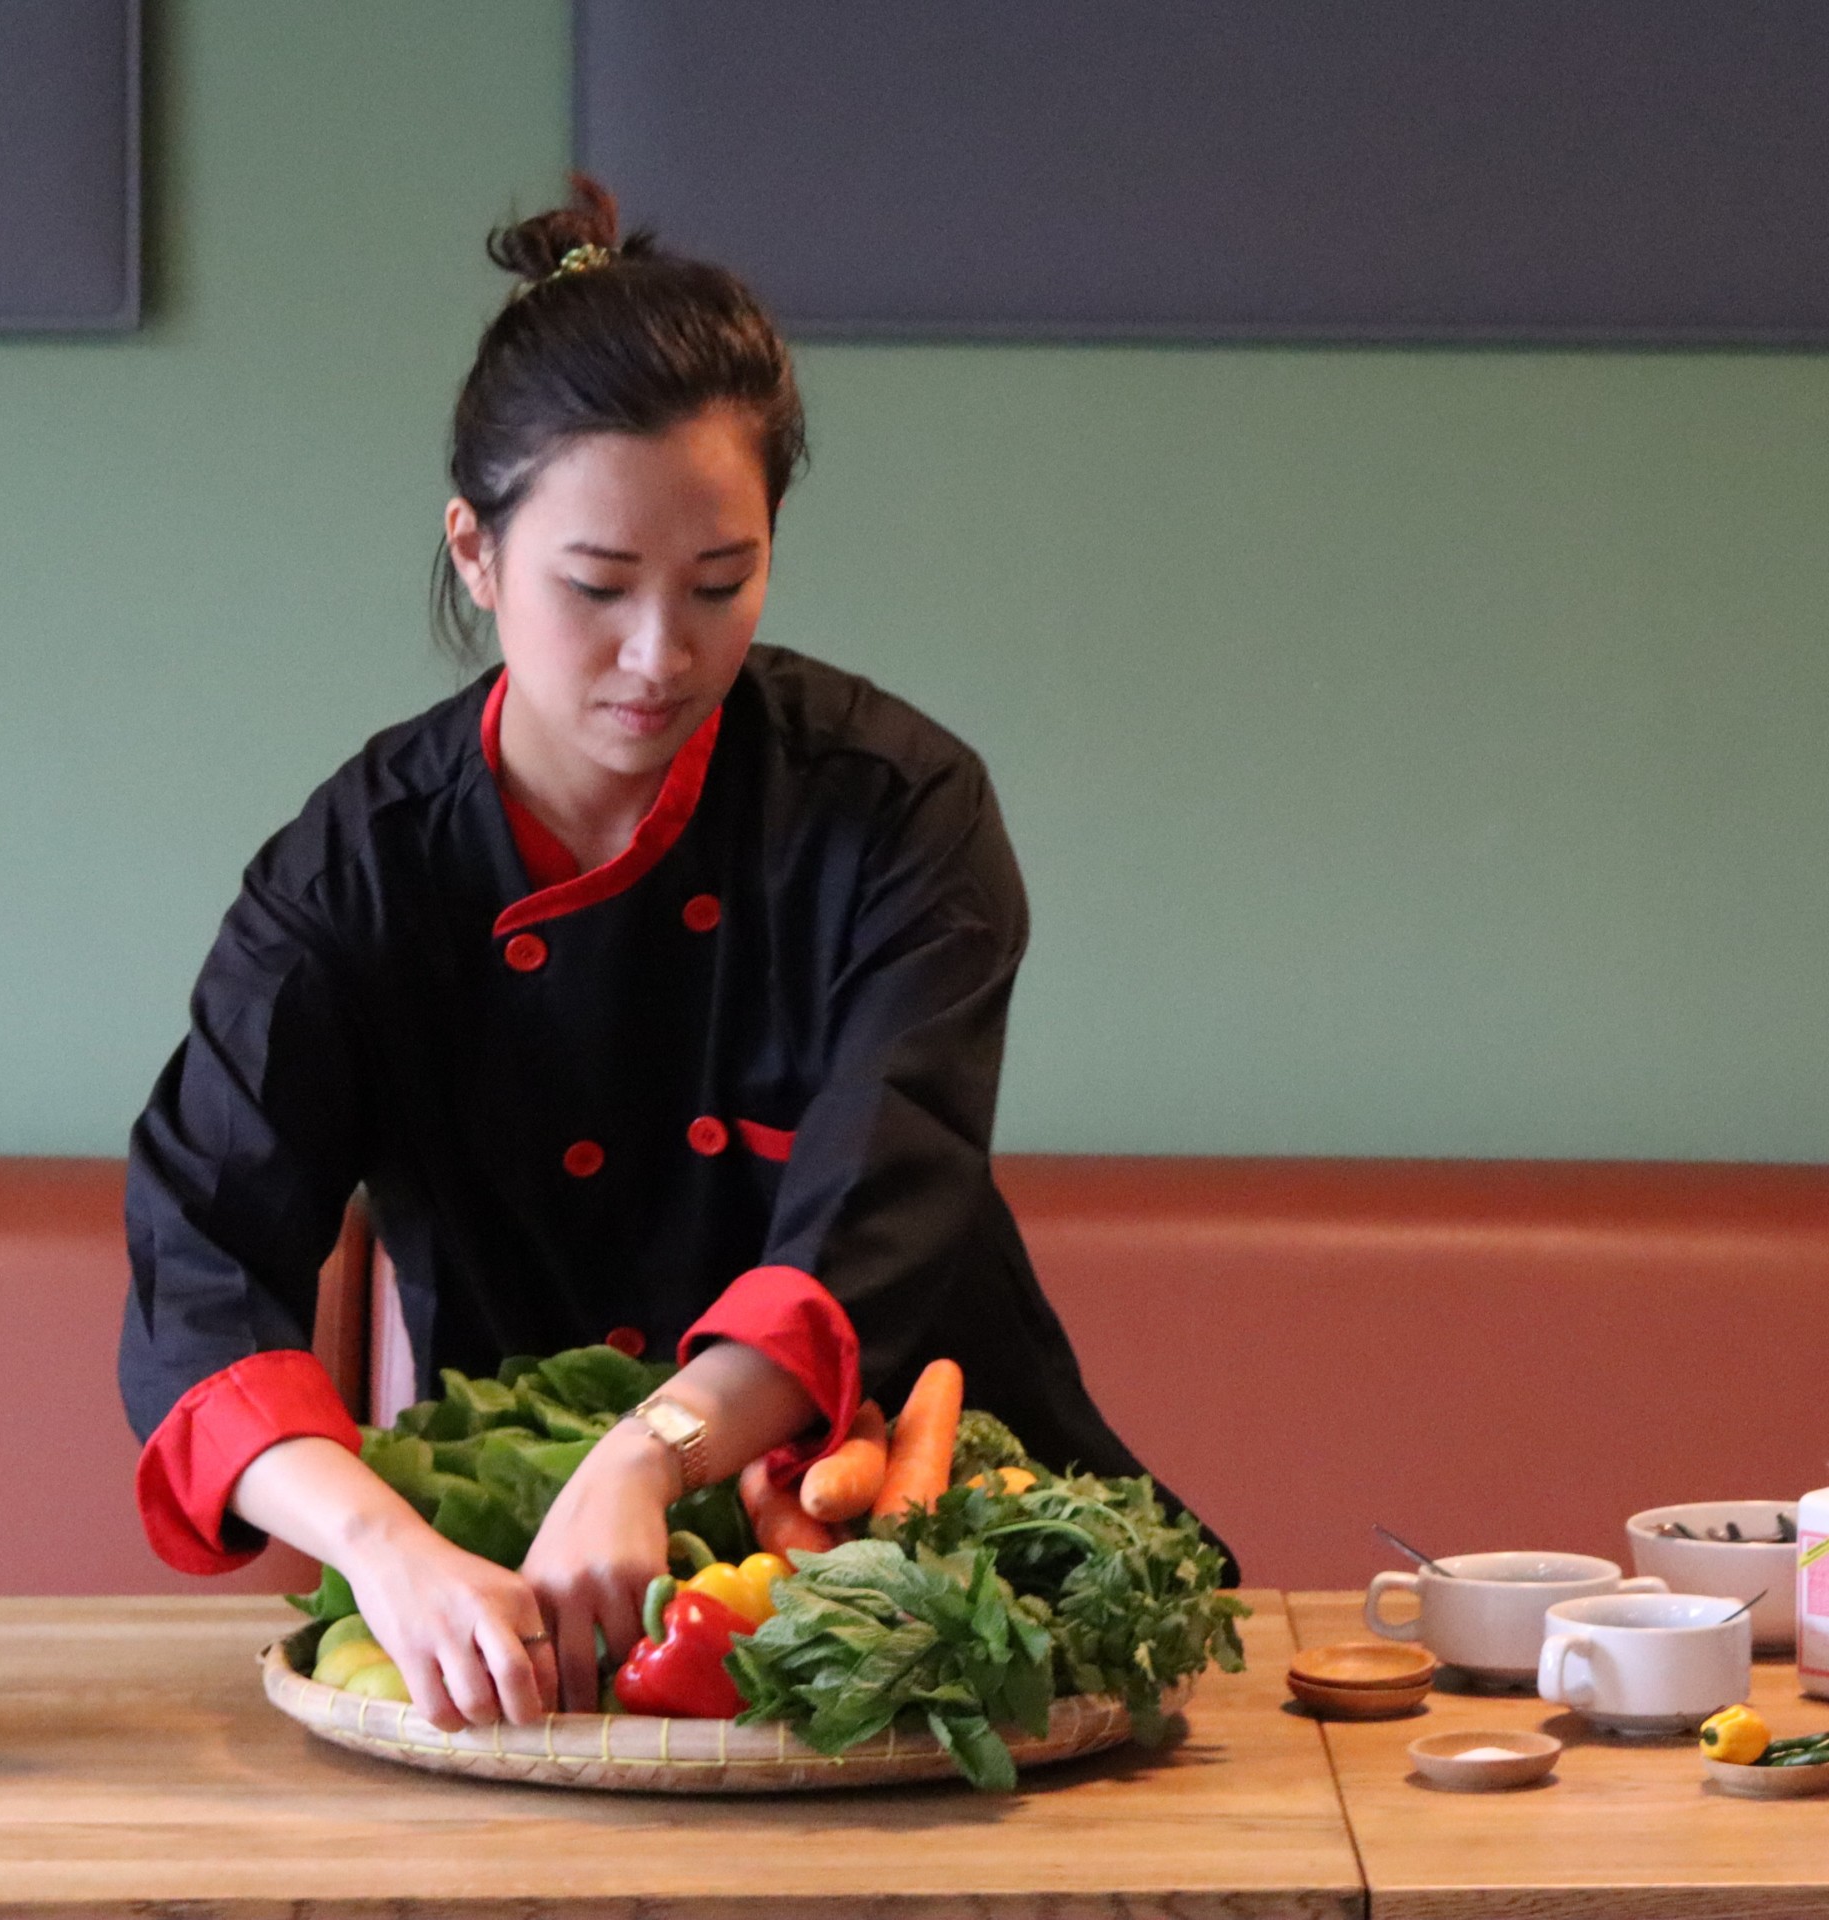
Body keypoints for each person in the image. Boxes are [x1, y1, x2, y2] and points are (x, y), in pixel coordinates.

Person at [120, 176, 1234, 1734]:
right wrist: (385, 1547)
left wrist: (648, 1452)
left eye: (721, 584)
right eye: (597, 588)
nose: (662, 655)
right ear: (475, 551)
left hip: (931, 1561)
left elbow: (875, 1211)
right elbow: (204, 1271)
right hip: (550, 1592)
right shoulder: (356, 873)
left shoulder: (894, 811)